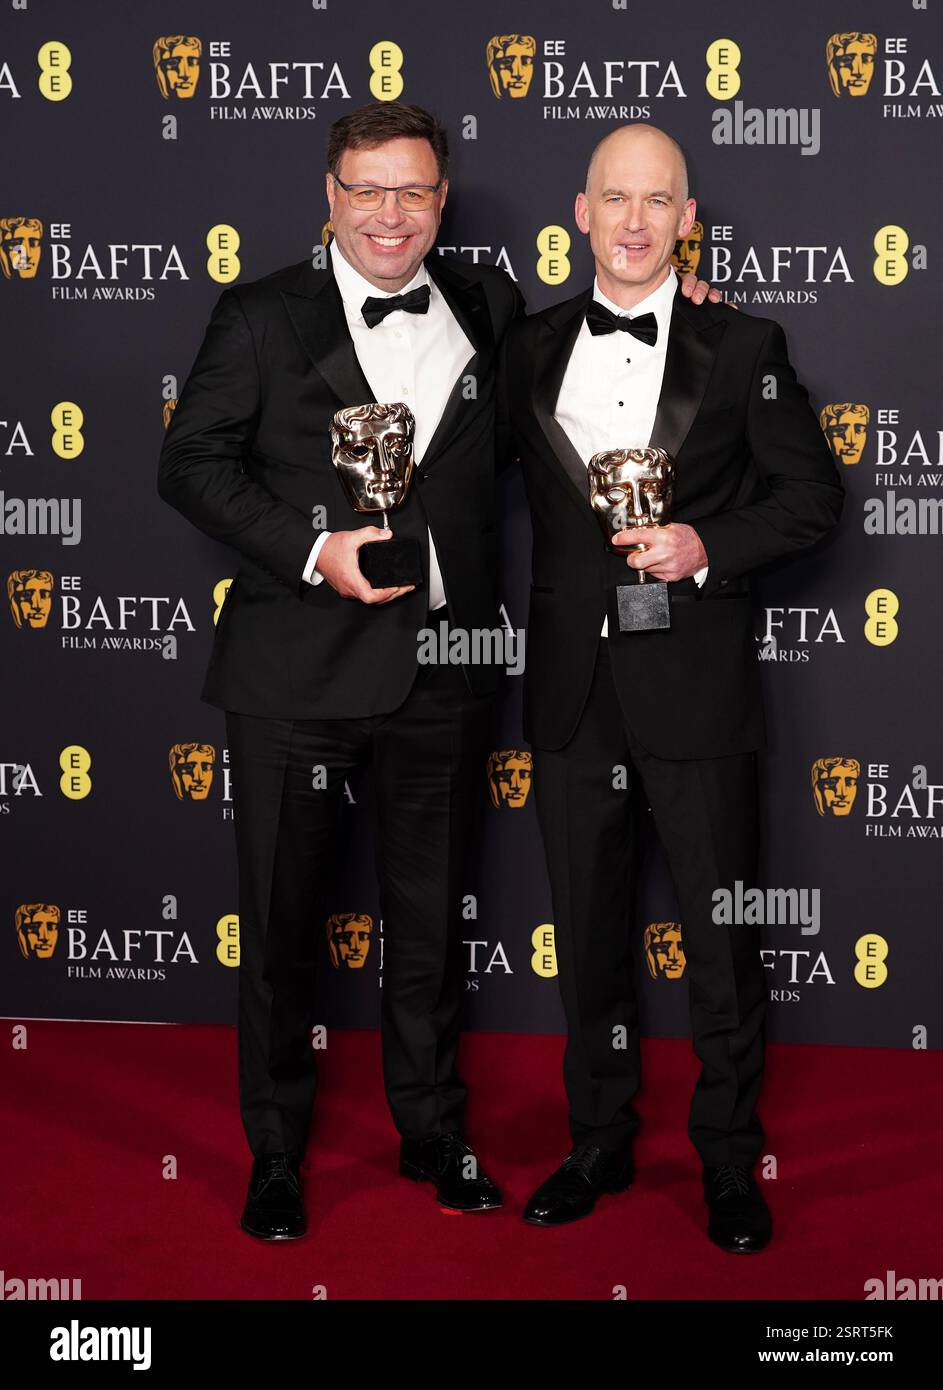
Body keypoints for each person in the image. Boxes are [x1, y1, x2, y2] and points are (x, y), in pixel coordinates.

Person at [158, 100, 718, 1243]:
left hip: (442, 671)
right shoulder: (259, 313)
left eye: (412, 190)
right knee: (280, 930)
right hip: (294, 676)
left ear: (441, 199)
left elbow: (588, 358)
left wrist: (682, 305)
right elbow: (190, 464)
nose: (390, 214)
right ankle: (277, 1153)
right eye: (367, 189)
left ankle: (429, 1128)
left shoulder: (487, 305)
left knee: (429, 922)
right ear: (331, 196)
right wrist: (311, 548)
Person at [502, 123, 844, 1251]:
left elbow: (811, 500)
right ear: (580, 212)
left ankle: (729, 1159)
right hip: (570, 690)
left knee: (720, 939)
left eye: (658, 201)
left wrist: (706, 544)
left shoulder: (744, 344)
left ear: (687, 220)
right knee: (587, 935)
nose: (636, 221)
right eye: (616, 198)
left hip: (695, 685)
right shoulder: (525, 347)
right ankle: (596, 1140)